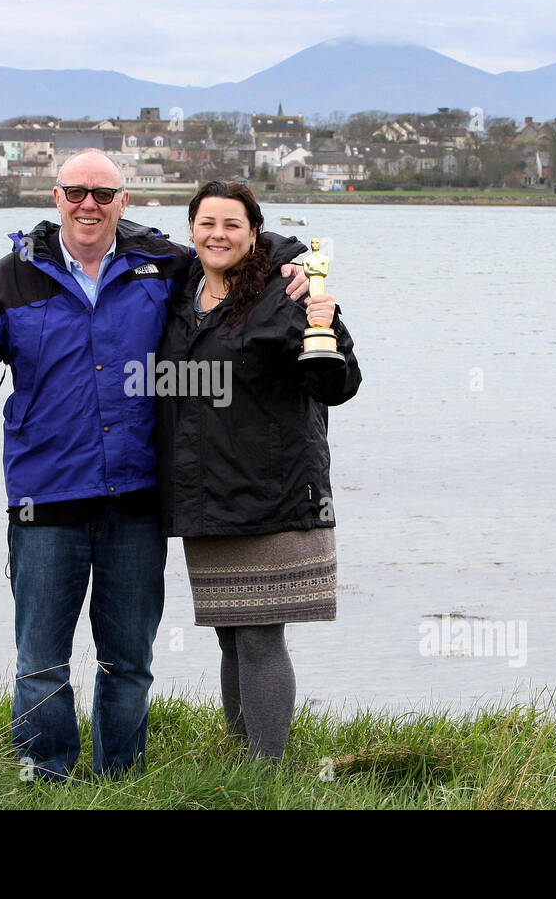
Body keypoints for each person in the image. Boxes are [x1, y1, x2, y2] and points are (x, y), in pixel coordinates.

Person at [0, 150, 308, 780]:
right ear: (55, 198)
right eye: (75, 192)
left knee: (129, 660)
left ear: (125, 201)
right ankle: (45, 775)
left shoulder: (162, 267)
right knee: (40, 658)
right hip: (46, 495)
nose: (88, 203)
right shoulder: (12, 278)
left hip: (139, 497)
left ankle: (120, 776)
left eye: (103, 193)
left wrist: (292, 264)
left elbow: (225, 243)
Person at [155, 180, 361, 760]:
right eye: (206, 223)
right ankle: (243, 758)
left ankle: (268, 772)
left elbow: (337, 383)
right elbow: (130, 238)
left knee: (260, 635)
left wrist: (330, 322)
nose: (218, 235)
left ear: (253, 234)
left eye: (233, 225)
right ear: (191, 229)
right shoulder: (182, 291)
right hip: (207, 495)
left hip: (273, 495)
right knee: (229, 633)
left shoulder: (283, 293)